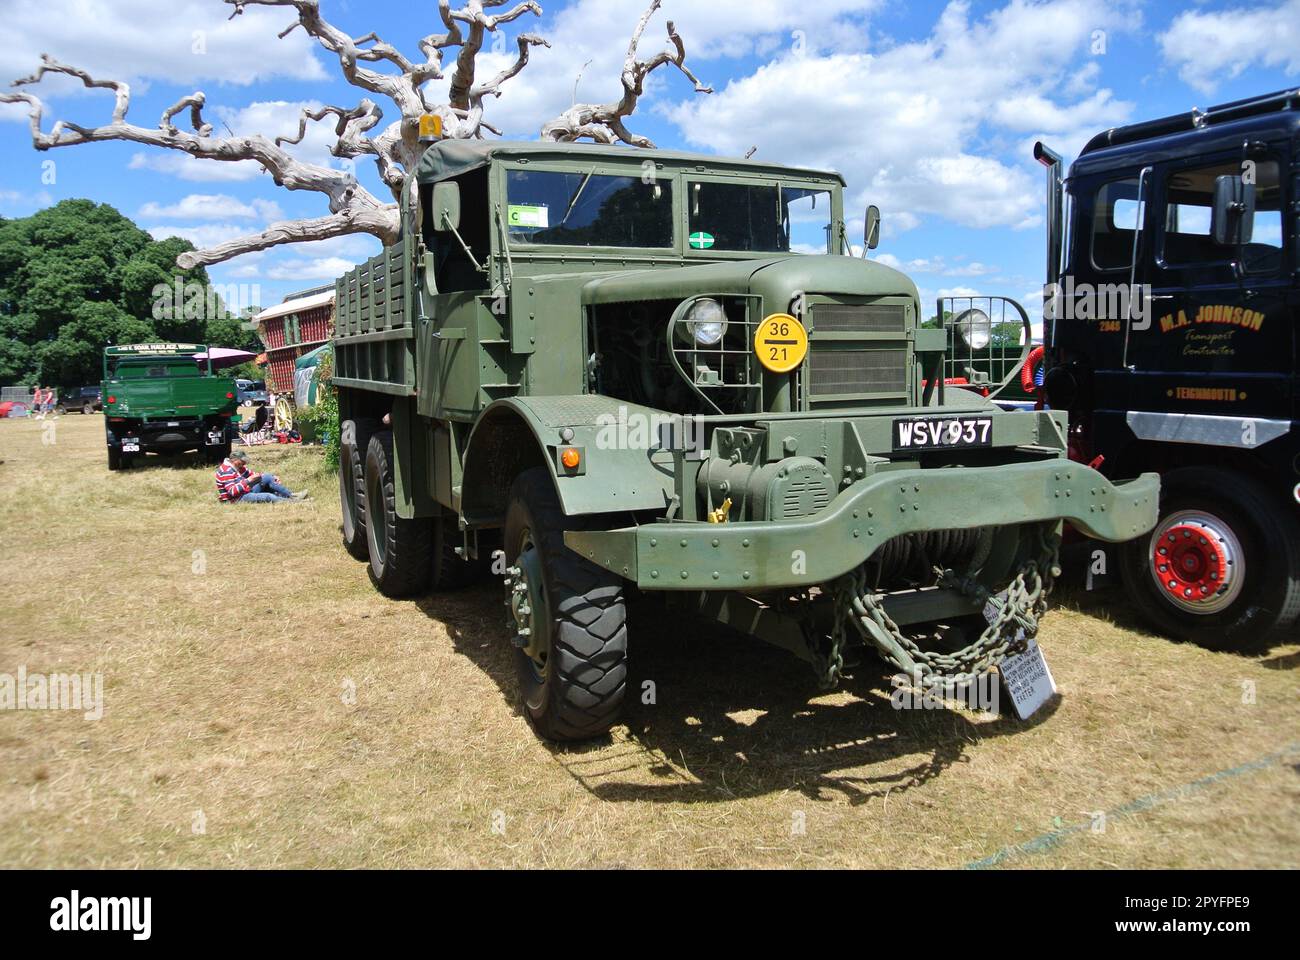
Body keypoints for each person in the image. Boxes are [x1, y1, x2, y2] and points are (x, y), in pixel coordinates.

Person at [214, 454, 308, 504]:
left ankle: (291, 495)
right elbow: (232, 492)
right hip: (236, 499)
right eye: (242, 461)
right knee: (268, 496)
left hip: (244, 492)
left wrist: (272, 477)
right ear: (235, 460)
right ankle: (295, 502)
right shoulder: (226, 471)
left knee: (267, 477)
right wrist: (248, 480)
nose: (244, 463)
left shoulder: (237, 467)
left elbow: (254, 475)